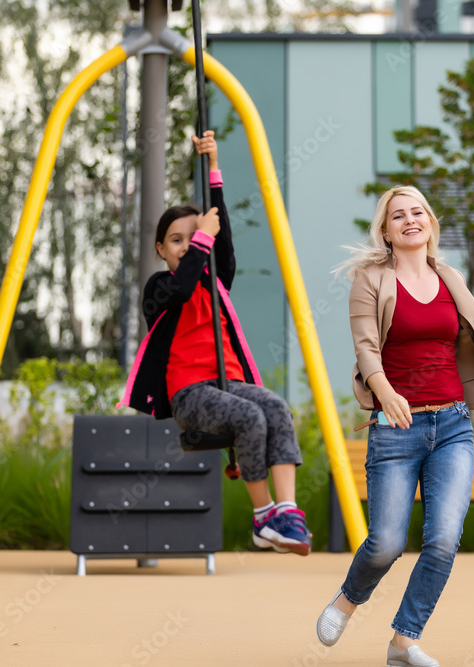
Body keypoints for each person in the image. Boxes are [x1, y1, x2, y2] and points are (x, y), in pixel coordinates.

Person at [316, 185, 474, 666]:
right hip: (394, 430)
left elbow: (469, 351)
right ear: (386, 230)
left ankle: (404, 641)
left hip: (454, 426)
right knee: (385, 542)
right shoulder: (370, 279)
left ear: (430, 223)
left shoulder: (451, 278)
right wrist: (386, 392)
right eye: (398, 215)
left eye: (417, 212)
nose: (409, 220)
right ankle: (347, 600)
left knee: (443, 538)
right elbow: (365, 347)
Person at [121, 130, 312, 556]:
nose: (190, 245)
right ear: (160, 249)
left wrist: (213, 169)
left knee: (276, 407)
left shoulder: (216, 283)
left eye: (195, 236)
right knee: (249, 417)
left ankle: (287, 512)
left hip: (227, 385)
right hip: (190, 393)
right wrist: (201, 238)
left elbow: (221, 246)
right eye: (177, 240)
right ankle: (263, 518)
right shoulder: (161, 287)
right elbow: (183, 285)